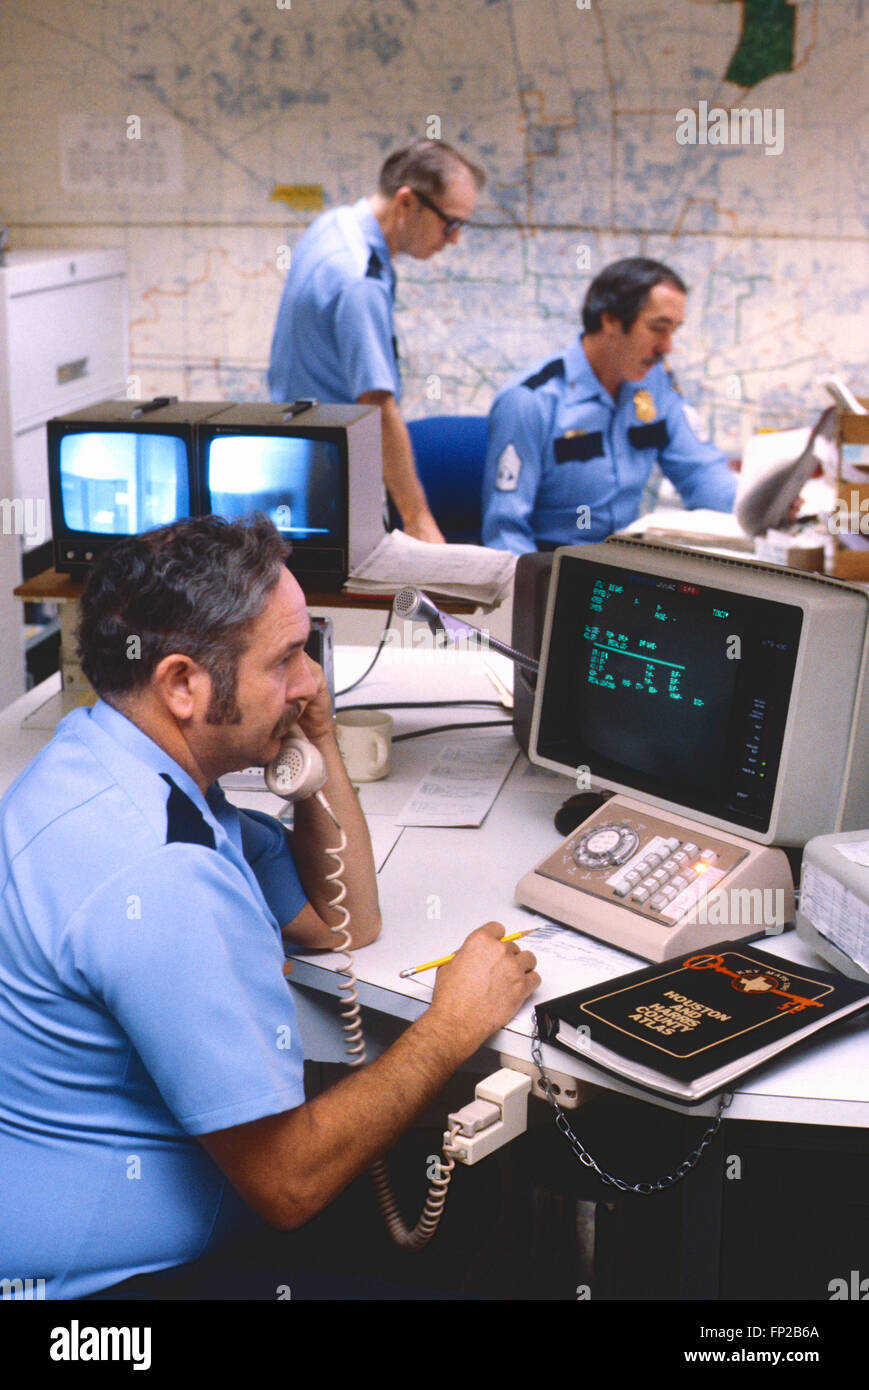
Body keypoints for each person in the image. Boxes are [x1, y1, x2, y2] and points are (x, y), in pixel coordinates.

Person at [0, 515, 538, 1298]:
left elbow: (341, 916)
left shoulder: (110, 760)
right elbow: (289, 1184)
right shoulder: (161, 874)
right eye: (286, 660)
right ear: (184, 684)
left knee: (471, 1194)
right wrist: (450, 1027)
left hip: (127, 1209)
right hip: (100, 1289)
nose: (313, 679)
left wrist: (307, 734)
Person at [268, 139, 485, 545]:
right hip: (330, 475)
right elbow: (376, 405)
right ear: (407, 203)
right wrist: (418, 517)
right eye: (450, 224)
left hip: (295, 453)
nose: (453, 239)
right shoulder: (359, 280)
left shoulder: (334, 225)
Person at [481, 257, 737, 554]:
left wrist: (763, 510)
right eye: (658, 328)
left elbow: (699, 473)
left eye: (674, 330)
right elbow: (505, 533)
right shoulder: (530, 400)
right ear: (610, 320)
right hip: (554, 566)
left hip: (623, 564)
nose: (667, 347)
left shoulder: (656, 384)